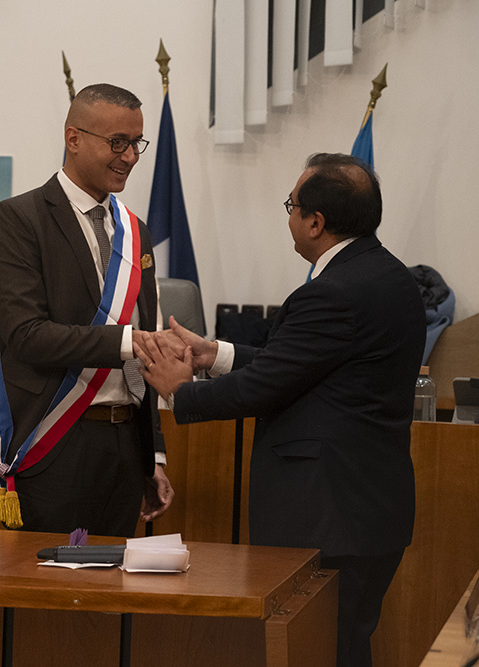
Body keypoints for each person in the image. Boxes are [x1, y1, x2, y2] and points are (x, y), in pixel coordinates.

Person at [137, 153, 426, 667]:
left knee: (319, 651)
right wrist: (215, 354)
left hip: (327, 514)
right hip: (367, 511)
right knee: (344, 646)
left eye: (292, 205)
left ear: (315, 222)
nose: (289, 216)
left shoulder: (335, 290)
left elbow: (268, 386)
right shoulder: (389, 276)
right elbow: (304, 364)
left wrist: (182, 393)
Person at [0, 83, 173, 538]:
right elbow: (26, 335)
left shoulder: (136, 231)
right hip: (52, 441)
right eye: (117, 143)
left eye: (136, 143)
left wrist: (153, 454)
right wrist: (126, 341)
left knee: (111, 598)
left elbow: (147, 357)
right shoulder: (19, 218)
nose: (131, 157)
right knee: (47, 597)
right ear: (73, 138)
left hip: (124, 447)